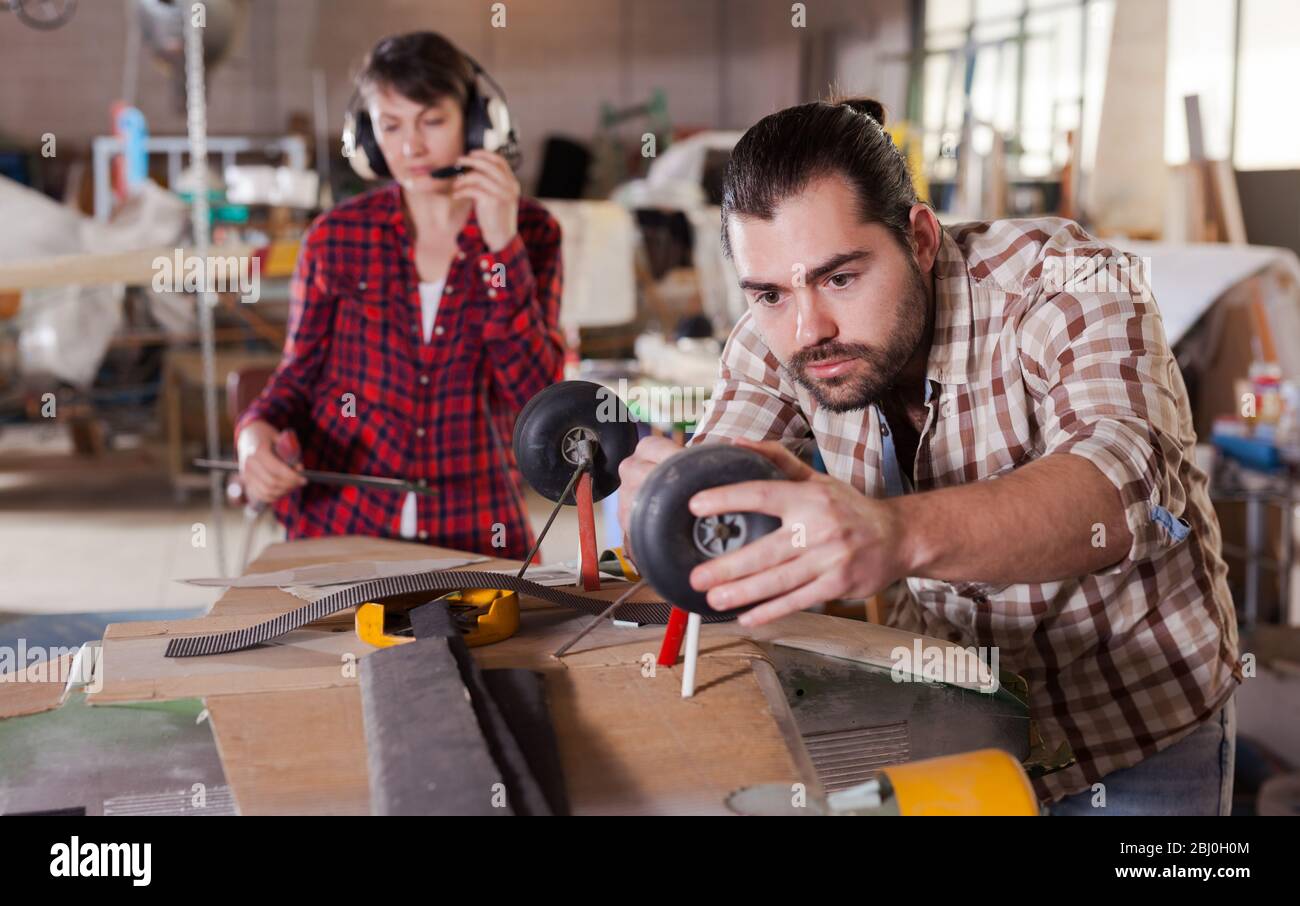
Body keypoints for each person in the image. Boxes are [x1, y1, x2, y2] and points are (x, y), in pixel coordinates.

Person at [617, 97, 1241, 814]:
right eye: (767, 293)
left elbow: (1122, 483)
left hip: (1134, 725)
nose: (808, 327)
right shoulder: (781, 333)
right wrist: (673, 502)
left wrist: (892, 536)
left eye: (840, 278)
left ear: (918, 238)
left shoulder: (1066, 281)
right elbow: (720, 482)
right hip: (960, 720)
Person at [236, 32, 563, 561]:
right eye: (390, 126)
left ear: (478, 124)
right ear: (367, 137)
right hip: (342, 527)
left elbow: (537, 399)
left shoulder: (532, 231)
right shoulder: (335, 237)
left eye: (432, 121)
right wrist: (254, 437)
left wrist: (501, 248)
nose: (410, 147)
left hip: (477, 530)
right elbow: (295, 377)